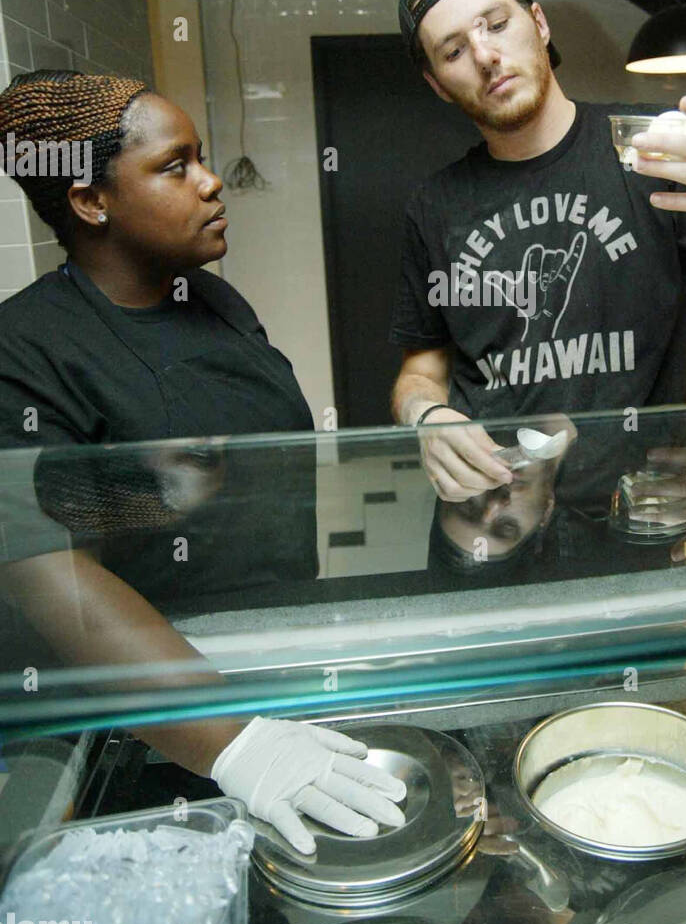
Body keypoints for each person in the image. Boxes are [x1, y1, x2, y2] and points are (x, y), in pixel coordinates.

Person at [0, 70, 404, 851]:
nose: (212, 181)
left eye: (202, 157)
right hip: (155, 711)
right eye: (174, 165)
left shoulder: (212, 301)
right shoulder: (25, 351)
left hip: (272, 653)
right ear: (89, 201)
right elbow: (47, 575)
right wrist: (234, 744)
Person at [388, 0, 686, 502]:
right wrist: (425, 413)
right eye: (453, 51)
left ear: (539, 24)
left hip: (637, 510)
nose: (485, 55)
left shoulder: (652, 153)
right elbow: (419, 370)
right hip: (494, 517)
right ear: (438, 84)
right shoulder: (434, 205)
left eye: (496, 25)